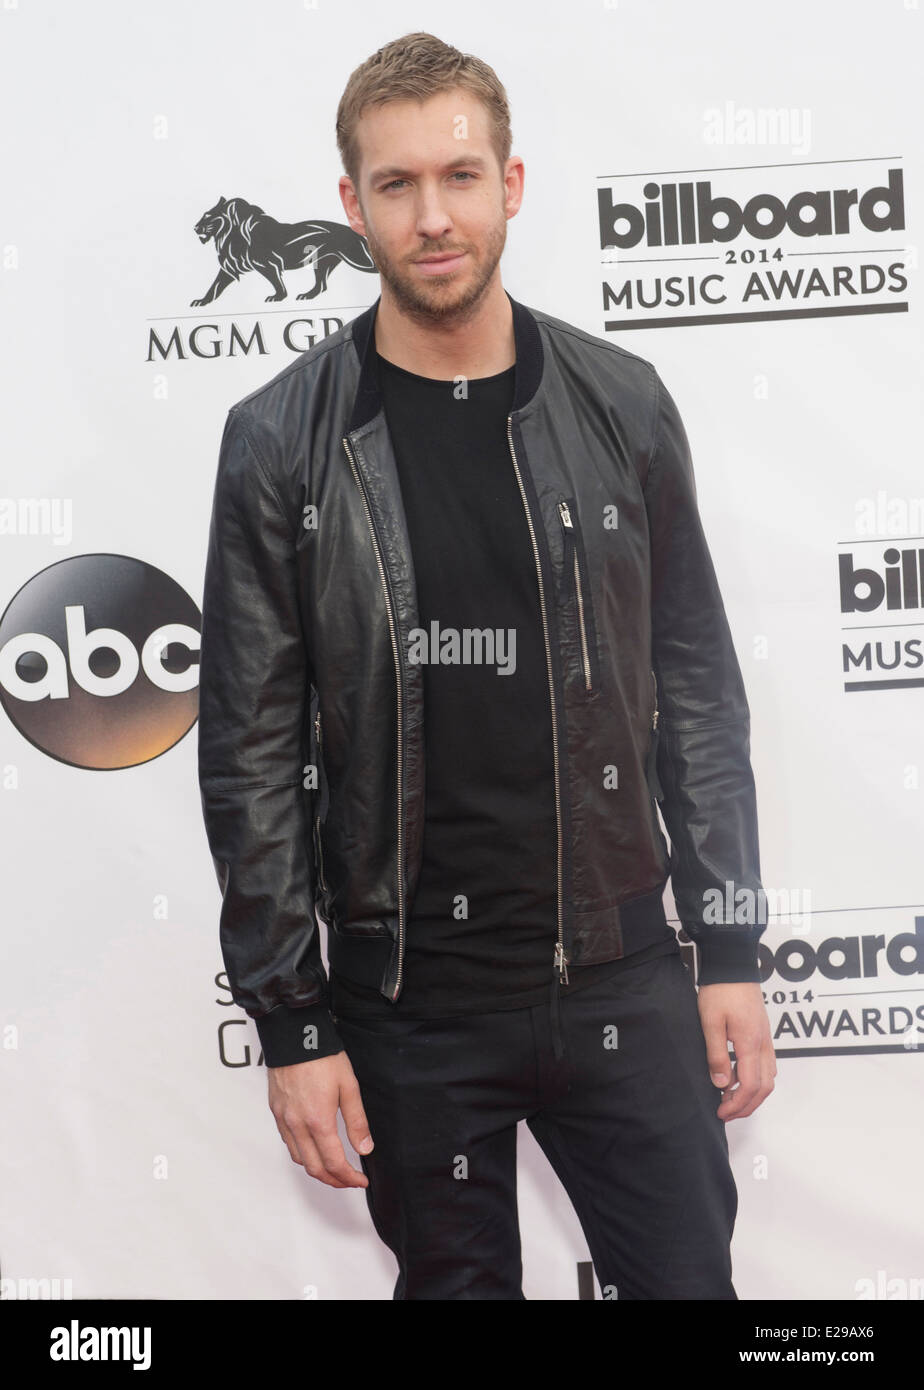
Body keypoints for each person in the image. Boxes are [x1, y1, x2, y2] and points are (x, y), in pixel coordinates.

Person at [197, 31, 777, 1300]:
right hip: (411, 1006)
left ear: (511, 185)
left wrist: (729, 948)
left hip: (623, 973)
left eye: (460, 176)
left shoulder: (622, 402)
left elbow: (694, 686)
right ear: (351, 208)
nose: (434, 215)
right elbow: (246, 756)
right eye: (396, 185)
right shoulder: (280, 445)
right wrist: (294, 1021)